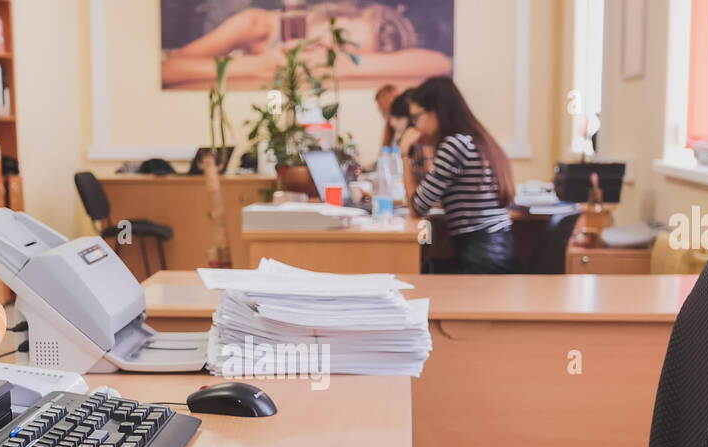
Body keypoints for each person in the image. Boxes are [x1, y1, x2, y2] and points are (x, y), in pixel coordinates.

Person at [161, 4, 453, 89]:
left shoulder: (314, 56)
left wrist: (348, 64)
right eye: (337, 36)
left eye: (343, 51)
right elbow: (168, 70)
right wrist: (255, 66)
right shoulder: (259, 25)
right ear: (333, 15)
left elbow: (440, 63)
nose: (328, 46)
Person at [400, 76, 521, 274]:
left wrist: (405, 154)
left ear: (435, 113)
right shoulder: (473, 139)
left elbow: (417, 207)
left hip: (481, 260)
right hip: (496, 251)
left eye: (417, 117)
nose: (415, 126)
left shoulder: (454, 145)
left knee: (422, 273)